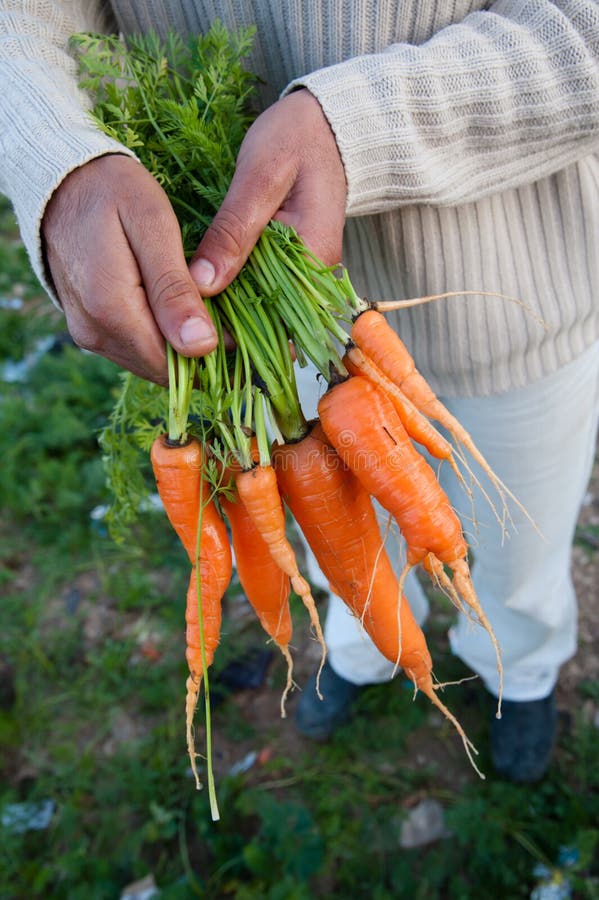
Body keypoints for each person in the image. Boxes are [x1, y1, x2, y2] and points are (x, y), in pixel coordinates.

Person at [1, 0, 598, 783]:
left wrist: (358, 126)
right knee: (338, 547)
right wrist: (54, 153)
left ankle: (519, 670)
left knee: (518, 540)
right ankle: (362, 651)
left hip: (509, 297)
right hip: (258, 329)